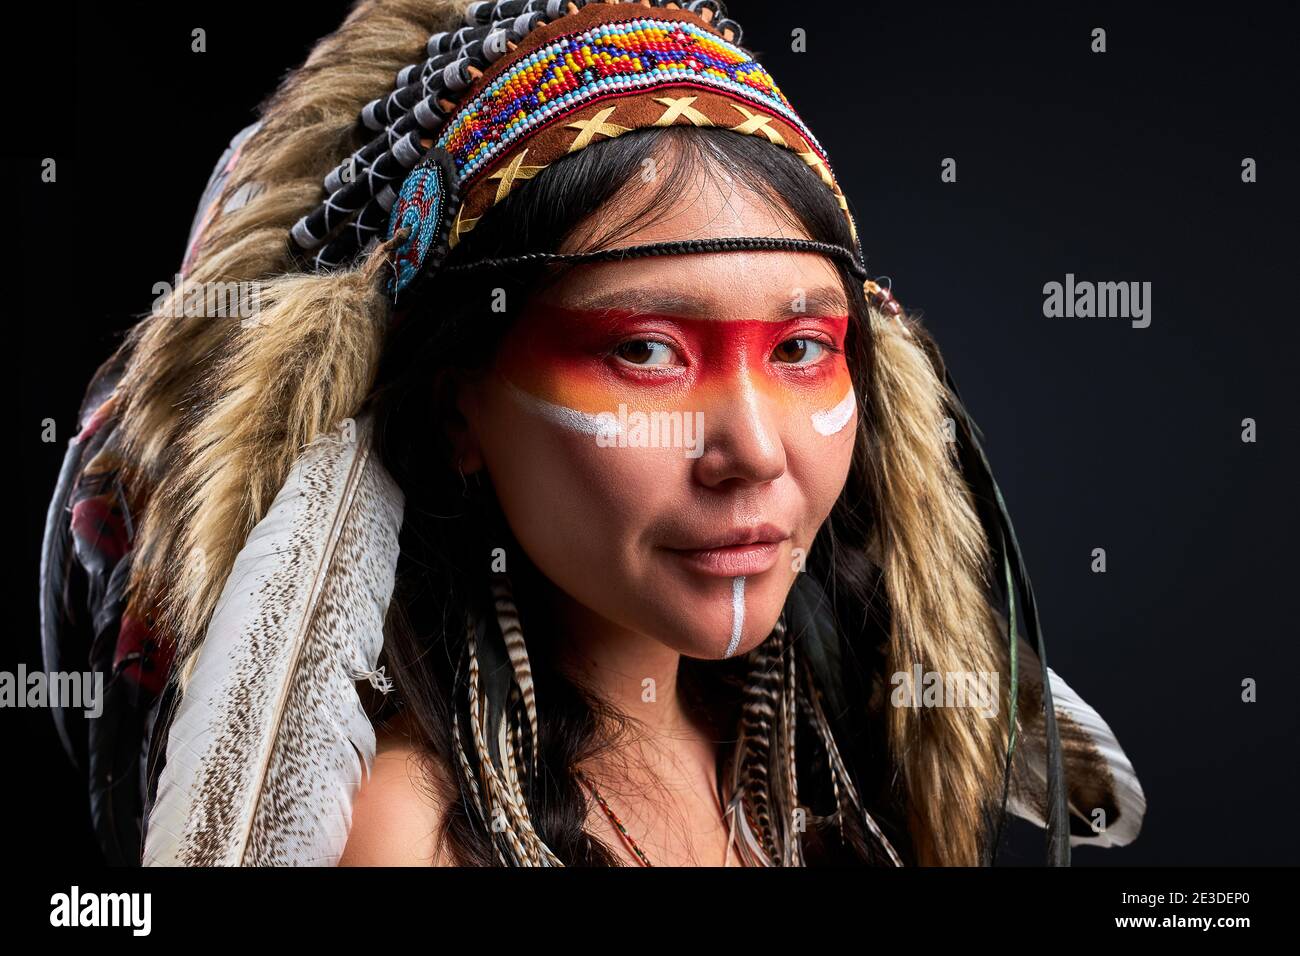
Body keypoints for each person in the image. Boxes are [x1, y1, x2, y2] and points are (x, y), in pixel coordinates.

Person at [41, 0, 1144, 867]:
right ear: (458, 403)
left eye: (801, 347)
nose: (754, 449)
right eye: (646, 352)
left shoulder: (848, 750)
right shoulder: (398, 835)